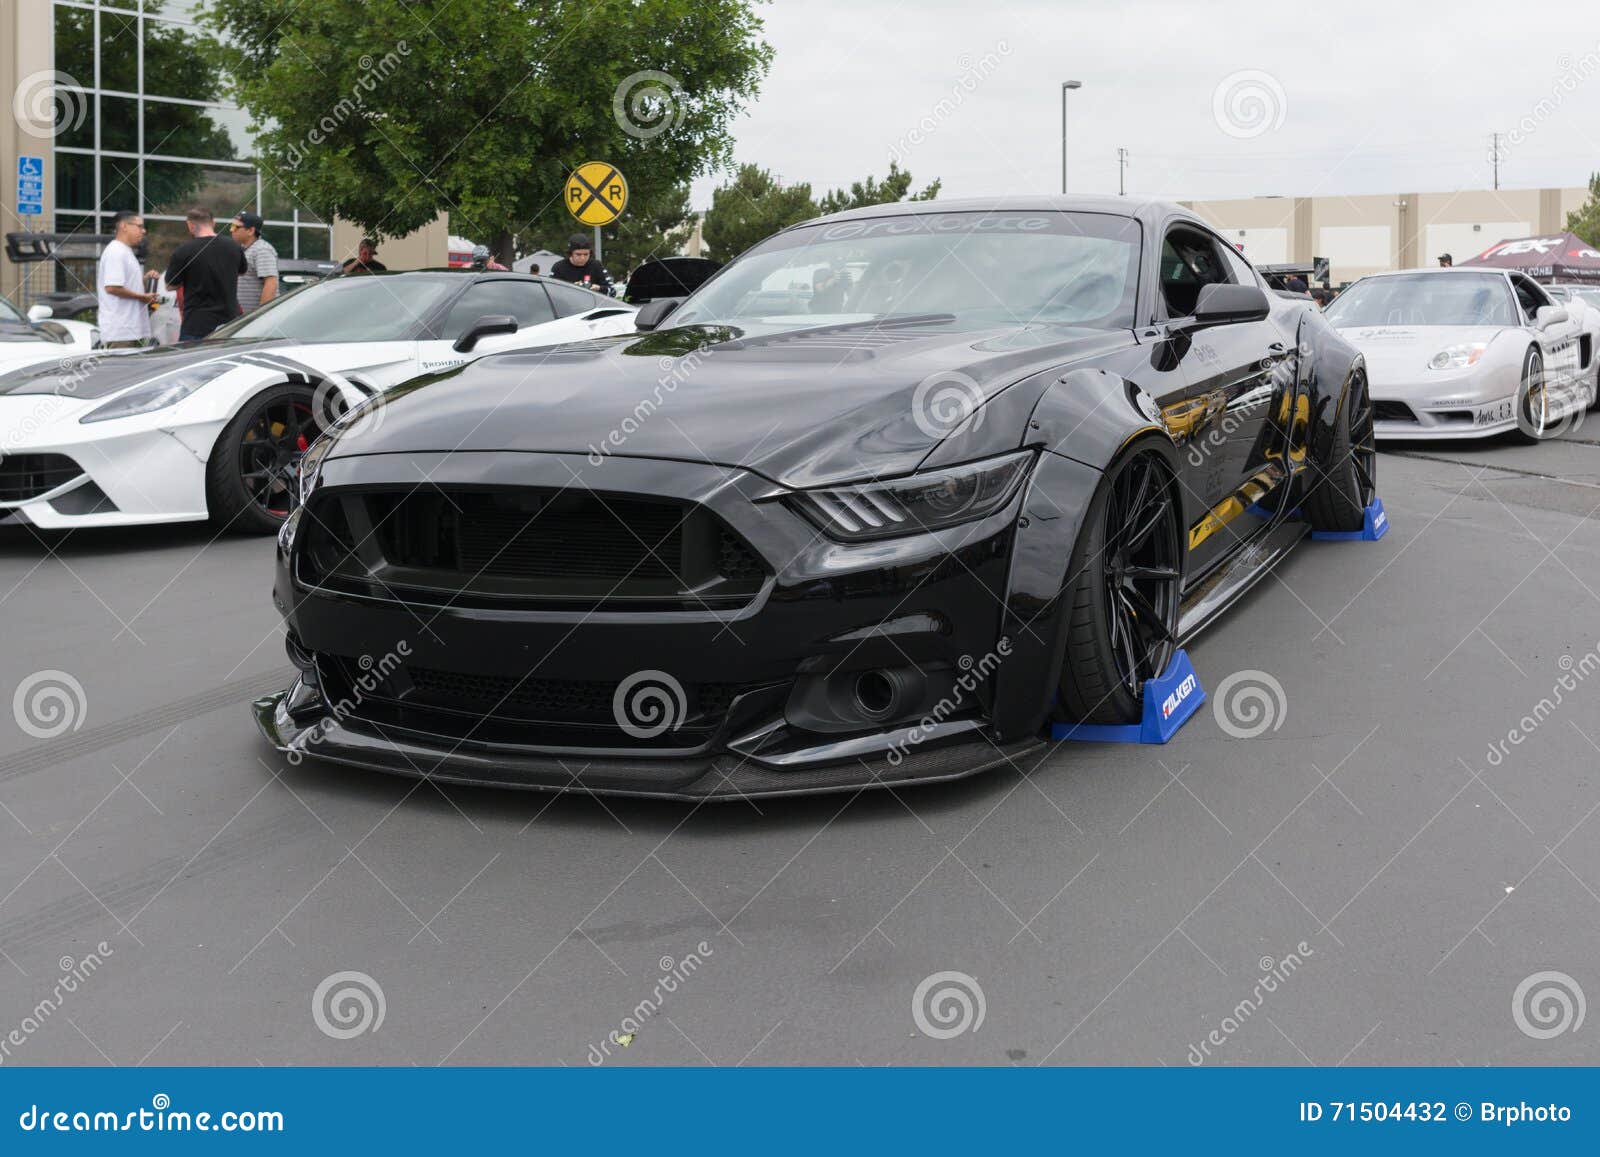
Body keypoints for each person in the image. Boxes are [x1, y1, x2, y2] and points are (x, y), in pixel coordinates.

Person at [164, 206, 245, 340]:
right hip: (229, 324)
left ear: (190, 225)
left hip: (196, 325)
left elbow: (170, 285)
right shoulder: (234, 247)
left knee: (194, 360)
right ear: (213, 223)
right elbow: (241, 272)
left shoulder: (183, 250)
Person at [96, 210, 158, 348]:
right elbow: (112, 287)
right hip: (120, 333)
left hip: (127, 331)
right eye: (139, 226)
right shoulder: (116, 251)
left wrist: (144, 279)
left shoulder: (125, 251)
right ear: (124, 226)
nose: (143, 231)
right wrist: (142, 297)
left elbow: (123, 284)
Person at [229, 210, 279, 313]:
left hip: (256, 321)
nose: (231, 230)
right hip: (245, 319)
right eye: (231, 226)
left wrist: (260, 315)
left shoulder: (262, 250)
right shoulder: (244, 249)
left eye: (235, 227)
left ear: (250, 231)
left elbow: (271, 283)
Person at [549, 233, 613, 295]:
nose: (582, 258)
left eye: (586, 254)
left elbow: (612, 291)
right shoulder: (558, 267)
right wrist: (571, 287)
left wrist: (599, 288)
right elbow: (551, 292)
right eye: (578, 254)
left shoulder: (596, 265)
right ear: (570, 253)